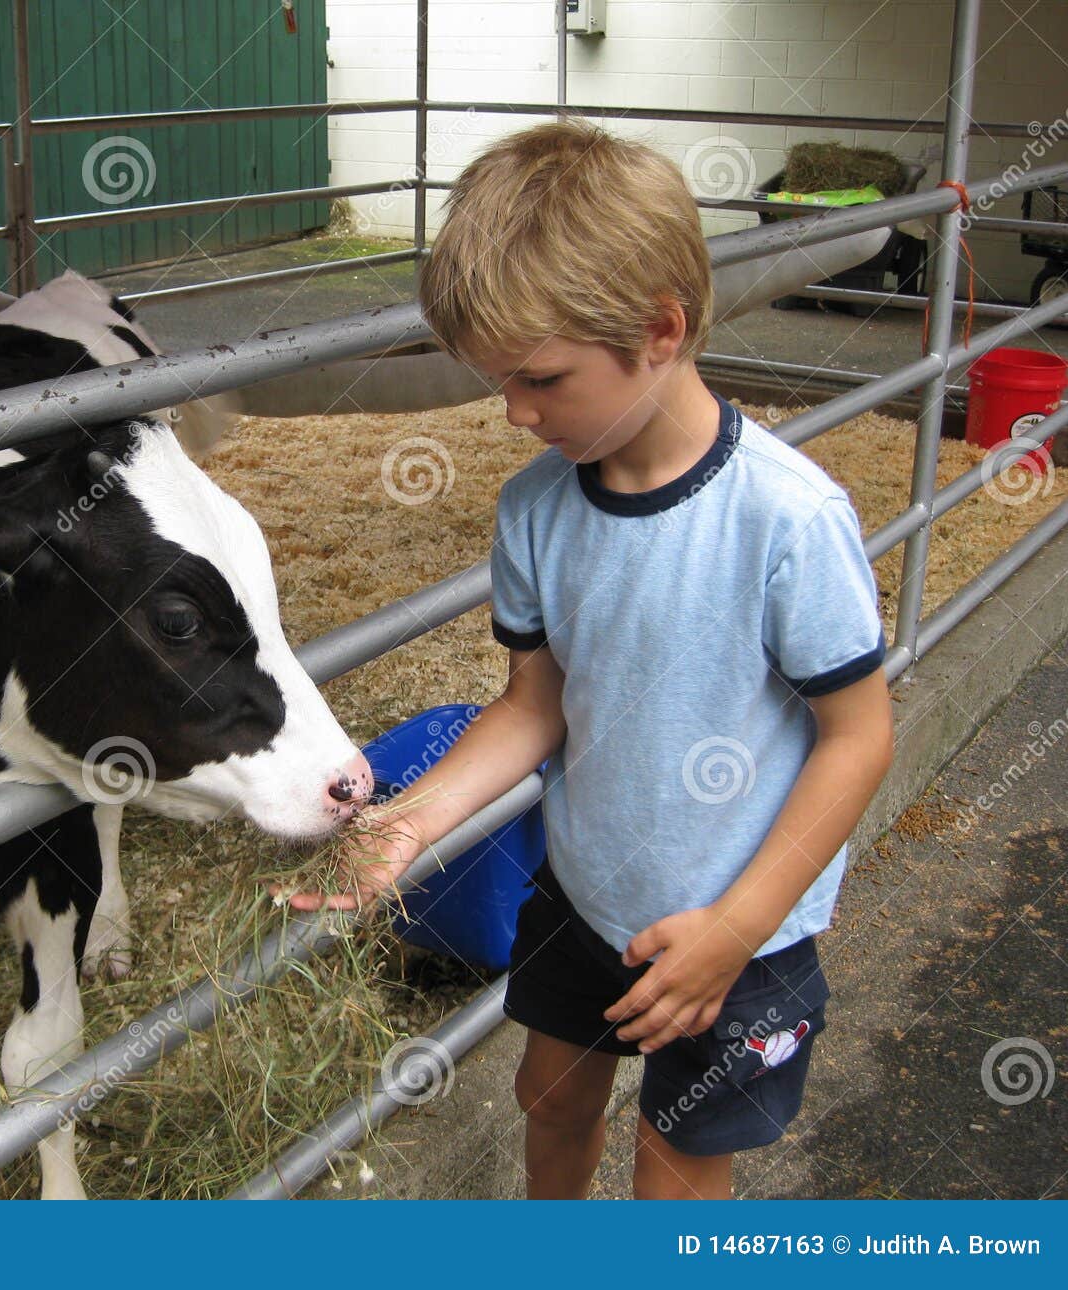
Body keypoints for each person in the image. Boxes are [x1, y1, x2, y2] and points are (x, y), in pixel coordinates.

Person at [284, 120, 894, 1200]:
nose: (515, 414)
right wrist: (408, 824)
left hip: (735, 933)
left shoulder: (786, 520)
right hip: (581, 889)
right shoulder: (536, 508)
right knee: (550, 1101)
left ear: (660, 329)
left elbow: (858, 736)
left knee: (675, 1172)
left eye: (541, 380)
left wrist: (735, 928)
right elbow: (535, 702)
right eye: (498, 382)